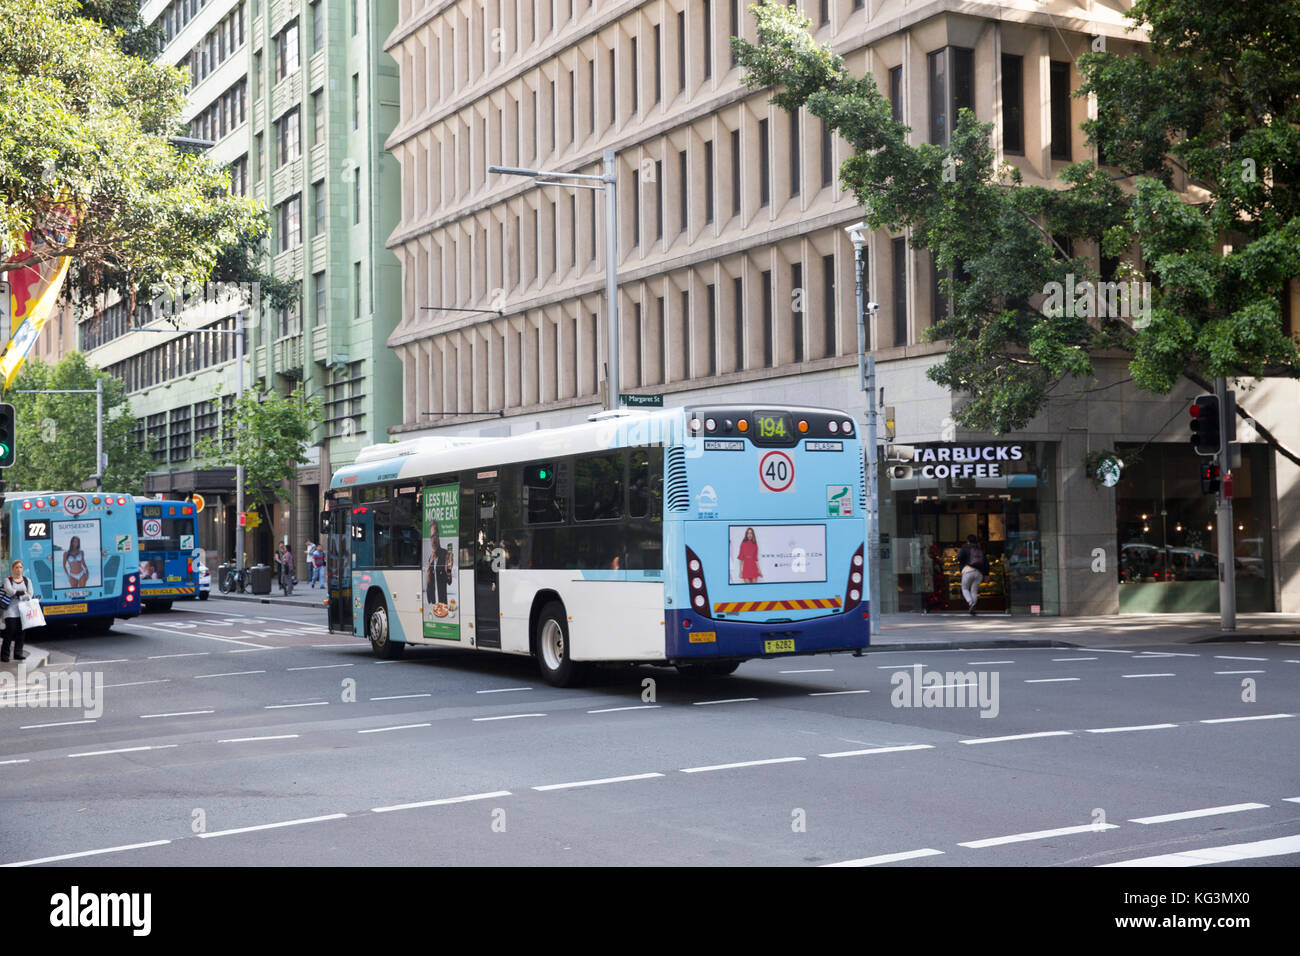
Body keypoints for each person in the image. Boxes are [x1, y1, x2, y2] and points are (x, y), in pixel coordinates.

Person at [2, 559, 39, 662]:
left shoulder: (27, 580)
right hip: (10, 610)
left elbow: (30, 594)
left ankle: (18, 653)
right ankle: (4, 655)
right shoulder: (7, 580)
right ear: (13, 569)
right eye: (16, 567)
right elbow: (10, 591)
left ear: (22, 568)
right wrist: (23, 593)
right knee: (10, 631)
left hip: (23, 610)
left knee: (21, 632)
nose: (18, 569)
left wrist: (17, 595)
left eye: (20, 567)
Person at [957, 534, 990, 616]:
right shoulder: (980, 550)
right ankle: (973, 606)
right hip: (979, 573)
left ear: (967, 541)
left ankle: (970, 602)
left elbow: (959, 557)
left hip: (968, 571)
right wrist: (986, 574)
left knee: (964, 589)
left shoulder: (965, 548)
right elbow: (986, 563)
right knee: (974, 591)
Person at [426, 522, 453, 606]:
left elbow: (449, 581)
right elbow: (429, 584)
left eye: (435, 536)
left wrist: (448, 568)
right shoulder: (430, 558)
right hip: (432, 605)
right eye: (431, 537)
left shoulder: (446, 554)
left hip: (443, 605)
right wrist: (428, 570)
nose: (433, 540)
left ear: (438, 536)